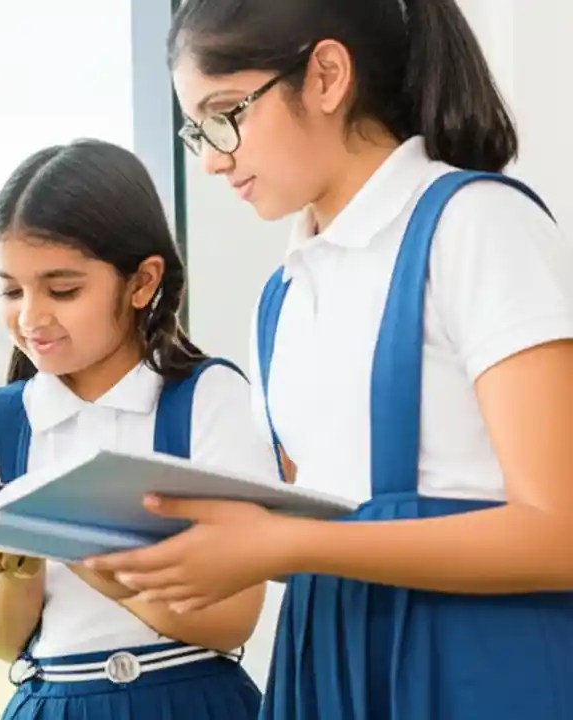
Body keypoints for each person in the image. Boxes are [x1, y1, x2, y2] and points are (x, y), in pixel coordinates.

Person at [89, 2, 573, 717]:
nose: (214, 159)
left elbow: (559, 532)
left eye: (226, 115)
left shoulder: (476, 225)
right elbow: (330, 540)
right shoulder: (282, 297)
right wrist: (196, 556)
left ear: (325, 75)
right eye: (196, 131)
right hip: (330, 663)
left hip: (476, 667)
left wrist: (283, 544)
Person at [0, 139, 276, 719]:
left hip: (191, 701)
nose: (31, 317)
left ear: (141, 282)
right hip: (52, 703)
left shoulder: (207, 399)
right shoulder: (1, 424)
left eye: (62, 290)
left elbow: (234, 618)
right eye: (11, 289)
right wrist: (19, 574)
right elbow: (0, 640)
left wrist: (87, 555)